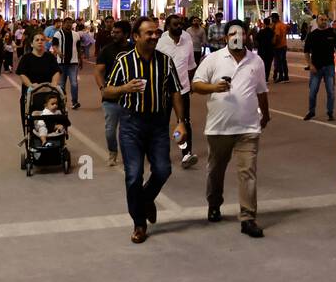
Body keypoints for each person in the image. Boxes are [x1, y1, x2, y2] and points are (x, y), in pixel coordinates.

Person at [104, 16, 186, 244]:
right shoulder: (124, 61)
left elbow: (176, 92)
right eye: (148, 33)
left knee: (163, 170)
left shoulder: (166, 62)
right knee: (133, 175)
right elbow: (107, 92)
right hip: (131, 124)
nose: (154, 36)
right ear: (136, 36)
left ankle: (146, 198)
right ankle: (139, 223)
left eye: (156, 32)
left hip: (158, 124)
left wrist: (181, 121)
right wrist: (123, 88)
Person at [193, 19, 270, 238]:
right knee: (216, 170)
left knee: (248, 172)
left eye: (242, 33)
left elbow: (262, 91)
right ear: (226, 37)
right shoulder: (214, 59)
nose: (238, 37)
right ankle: (214, 204)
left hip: (248, 128)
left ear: (248, 36)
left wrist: (266, 115)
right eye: (233, 33)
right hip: (219, 129)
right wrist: (213, 87)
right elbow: (196, 85)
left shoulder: (256, 61)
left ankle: (248, 218)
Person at [156, 13, 199, 169]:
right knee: (162, 124)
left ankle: (186, 153)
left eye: (181, 23)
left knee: (184, 123)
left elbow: (190, 65)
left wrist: (190, 83)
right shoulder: (160, 42)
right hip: (164, 91)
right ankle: (162, 155)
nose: (179, 26)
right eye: (175, 24)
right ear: (168, 26)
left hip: (183, 90)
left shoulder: (187, 39)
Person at [95, 20, 132, 165]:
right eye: (113, 32)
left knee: (127, 130)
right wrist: (102, 88)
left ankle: (129, 154)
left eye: (117, 33)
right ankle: (112, 152)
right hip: (111, 97)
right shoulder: (107, 50)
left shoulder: (134, 49)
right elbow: (98, 71)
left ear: (126, 34)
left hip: (130, 97)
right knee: (110, 130)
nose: (113, 35)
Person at [303, 13, 336, 120]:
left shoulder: (332, 33)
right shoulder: (312, 35)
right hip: (316, 68)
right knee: (312, 92)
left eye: (325, 20)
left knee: (331, 91)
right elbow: (306, 52)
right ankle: (311, 111)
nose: (324, 21)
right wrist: (310, 65)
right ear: (317, 21)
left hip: (329, 67)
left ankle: (330, 112)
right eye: (321, 19)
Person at [15, 32, 62, 122]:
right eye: (37, 40)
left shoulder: (50, 57)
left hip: (48, 92)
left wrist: (54, 84)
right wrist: (31, 85)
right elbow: (22, 74)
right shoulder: (26, 58)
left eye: (42, 40)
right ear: (32, 44)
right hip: (32, 93)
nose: (40, 42)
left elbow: (56, 71)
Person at [52, 17, 83, 110]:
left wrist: (80, 58)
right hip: (61, 63)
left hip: (73, 62)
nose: (69, 24)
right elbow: (54, 46)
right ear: (63, 23)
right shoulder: (58, 34)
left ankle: (75, 102)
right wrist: (58, 52)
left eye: (70, 23)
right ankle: (62, 102)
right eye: (67, 23)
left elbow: (78, 48)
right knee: (61, 84)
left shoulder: (76, 34)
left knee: (74, 83)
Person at [254, 15, 276, 82]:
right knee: (268, 65)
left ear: (264, 23)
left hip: (262, 51)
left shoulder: (261, 32)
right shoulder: (272, 32)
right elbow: (273, 41)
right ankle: (266, 78)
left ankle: (262, 78)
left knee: (262, 65)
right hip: (270, 50)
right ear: (269, 23)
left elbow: (256, 40)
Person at [270, 14, 289, 82]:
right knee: (284, 61)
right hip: (284, 45)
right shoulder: (283, 24)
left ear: (275, 18)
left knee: (278, 62)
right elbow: (288, 28)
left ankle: (280, 76)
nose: (271, 20)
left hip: (278, 46)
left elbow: (277, 36)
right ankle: (286, 76)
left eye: (272, 18)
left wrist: (273, 43)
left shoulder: (277, 26)